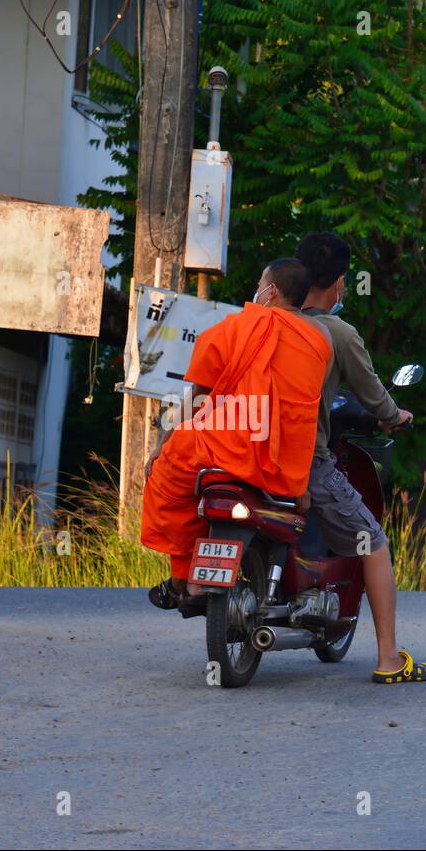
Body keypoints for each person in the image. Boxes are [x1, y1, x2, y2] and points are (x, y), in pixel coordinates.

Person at [141, 258, 331, 607]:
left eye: (260, 282)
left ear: (271, 291)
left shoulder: (236, 327)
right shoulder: (317, 345)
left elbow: (198, 394)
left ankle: (184, 578)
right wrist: (300, 480)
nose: (256, 290)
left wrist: (161, 445)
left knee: (165, 477)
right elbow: (305, 416)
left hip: (219, 448)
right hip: (278, 465)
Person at [295, 232, 426, 685]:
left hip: (246, 457)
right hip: (306, 462)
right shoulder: (337, 332)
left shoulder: (267, 323)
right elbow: (375, 398)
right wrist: (395, 417)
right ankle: (390, 657)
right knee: (373, 542)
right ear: (339, 284)